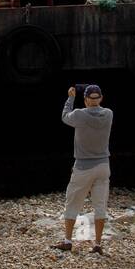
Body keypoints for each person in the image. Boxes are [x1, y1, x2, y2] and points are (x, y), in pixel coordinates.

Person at [55, 84, 113, 254]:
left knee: (72, 202)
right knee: (100, 205)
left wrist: (71, 97)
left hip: (82, 166)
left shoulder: (80, 115)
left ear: (86, 99)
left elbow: (65, 116)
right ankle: (97, 244)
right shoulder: (109, 114)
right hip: (103, 165)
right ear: (101, 98)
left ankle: (67, 240)